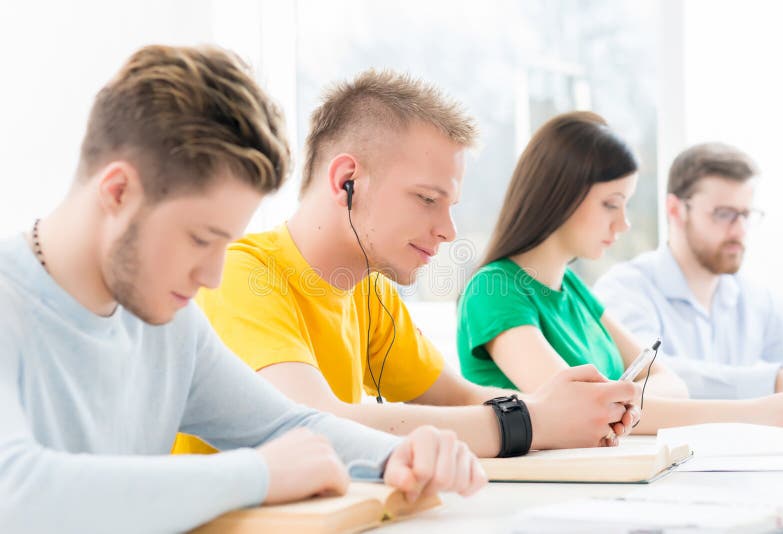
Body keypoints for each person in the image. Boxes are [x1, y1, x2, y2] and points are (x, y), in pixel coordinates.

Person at [0, 45, 487, 534]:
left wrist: (398, 455)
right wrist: (257, 474)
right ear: (119, 192)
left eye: (225, 243)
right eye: (200, 239)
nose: (212, 276)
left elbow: (285, 425)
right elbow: (14, 490)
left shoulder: (171, 325)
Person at [173, 70, 640, 459]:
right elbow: (314, 424)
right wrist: (533, 420)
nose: (448, 231)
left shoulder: (370, 291)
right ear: (347, 181)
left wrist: (570, 408)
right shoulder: (243, 275)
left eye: (450, 206)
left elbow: (458, 398)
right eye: (427, 199)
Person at [457, 111, 783, 433]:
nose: (623, 224)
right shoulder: (494, 289)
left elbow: (673, 384)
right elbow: (582, 409)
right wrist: (750, 412)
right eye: (611, 204)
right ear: (560, 196)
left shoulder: (573, 288)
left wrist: (616, 400)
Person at [594, 143, 783, 399]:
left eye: (745, 215)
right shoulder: (624, 290)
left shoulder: (755, 298)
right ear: (675, 209)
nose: (739, 231)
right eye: (724, 214)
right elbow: (651, 377)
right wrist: (776, 382)